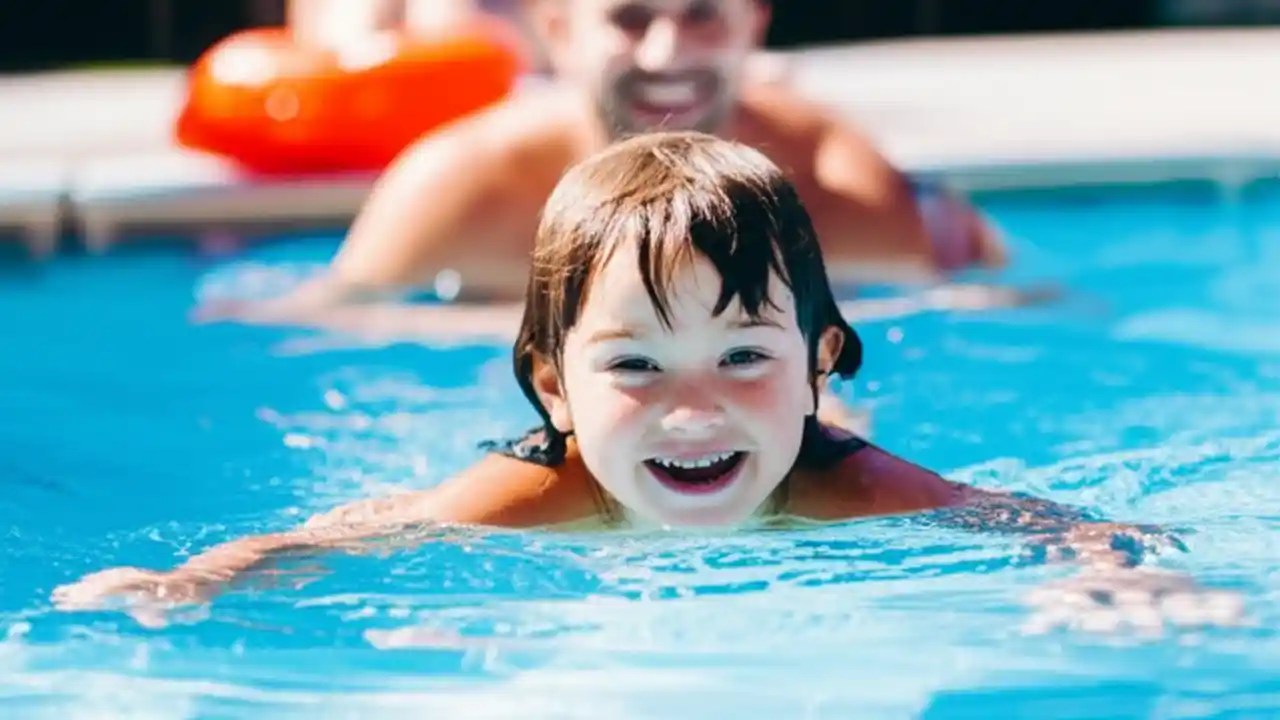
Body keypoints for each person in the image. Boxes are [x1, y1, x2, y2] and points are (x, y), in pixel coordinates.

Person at [59, 134, 1236, 633]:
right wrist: (193, 580)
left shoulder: (845, 485)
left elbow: (1050, 524)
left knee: (809, 434)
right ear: (551, 389)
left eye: (743, 355)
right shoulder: (536, 492)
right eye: (632, 366)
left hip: (808, 436)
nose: (692, 409)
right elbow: (338, 533)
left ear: (821, 358)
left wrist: (1114, 575)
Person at [204, 0, 1012, 329]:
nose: (669, 53)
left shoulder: (834, 184)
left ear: (752, 21)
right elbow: (325, 322)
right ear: (557, 29)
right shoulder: (459, 189)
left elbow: (987, 299)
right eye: (629, 18)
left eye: (703, 16)